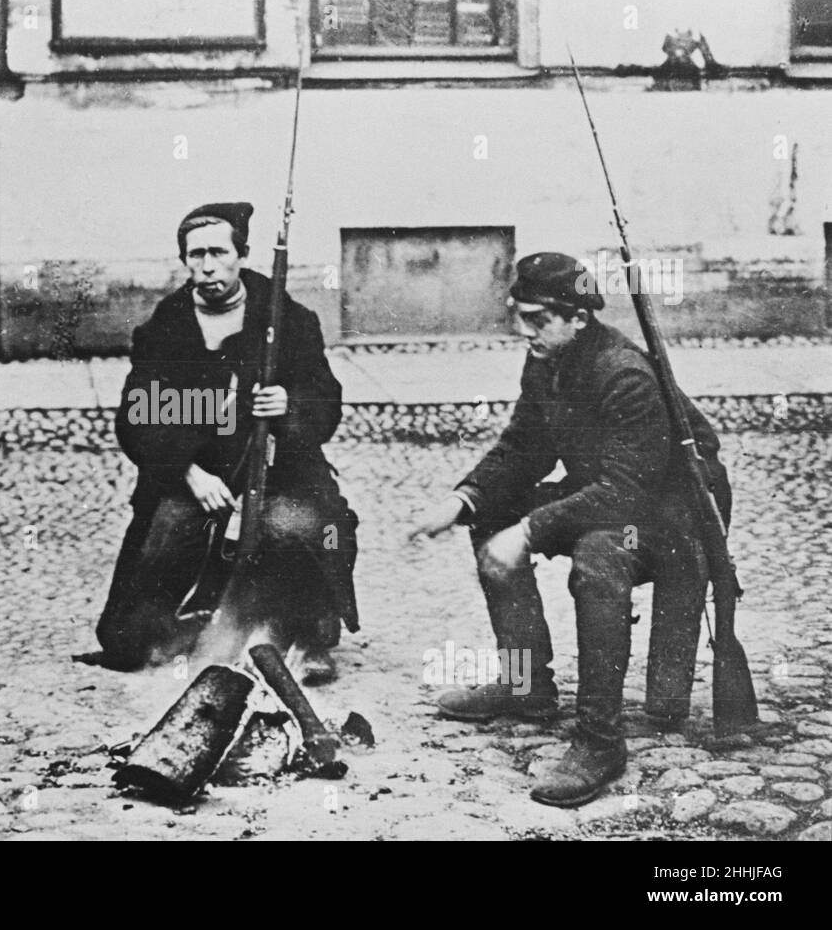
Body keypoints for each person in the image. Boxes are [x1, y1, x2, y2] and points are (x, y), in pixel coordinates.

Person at [408, 252, 732, 807]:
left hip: (669, 519)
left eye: (536, 318)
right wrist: (463, 498)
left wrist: (531, 530)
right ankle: (526, 683)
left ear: (578, 317)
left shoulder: (624, 374)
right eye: (519, 315)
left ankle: (600, 742)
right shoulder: (547, 359)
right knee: (490, 517)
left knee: (597, 559)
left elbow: (624, 492)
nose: (522, 329)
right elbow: (523, 448)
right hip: (609, 496)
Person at [94, 202, 359, 683]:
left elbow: (326, 400)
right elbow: (137, 418)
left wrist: (289, 406)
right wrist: (188, 473)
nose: (208, 266)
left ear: (242, 255)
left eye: (219, 252)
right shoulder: (166, 327)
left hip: (277, 473)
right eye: (196, 255)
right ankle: (195, 618)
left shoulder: (287, 318)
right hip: (196, 476)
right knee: (130, 639)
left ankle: (306, 632)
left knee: (303, 527)